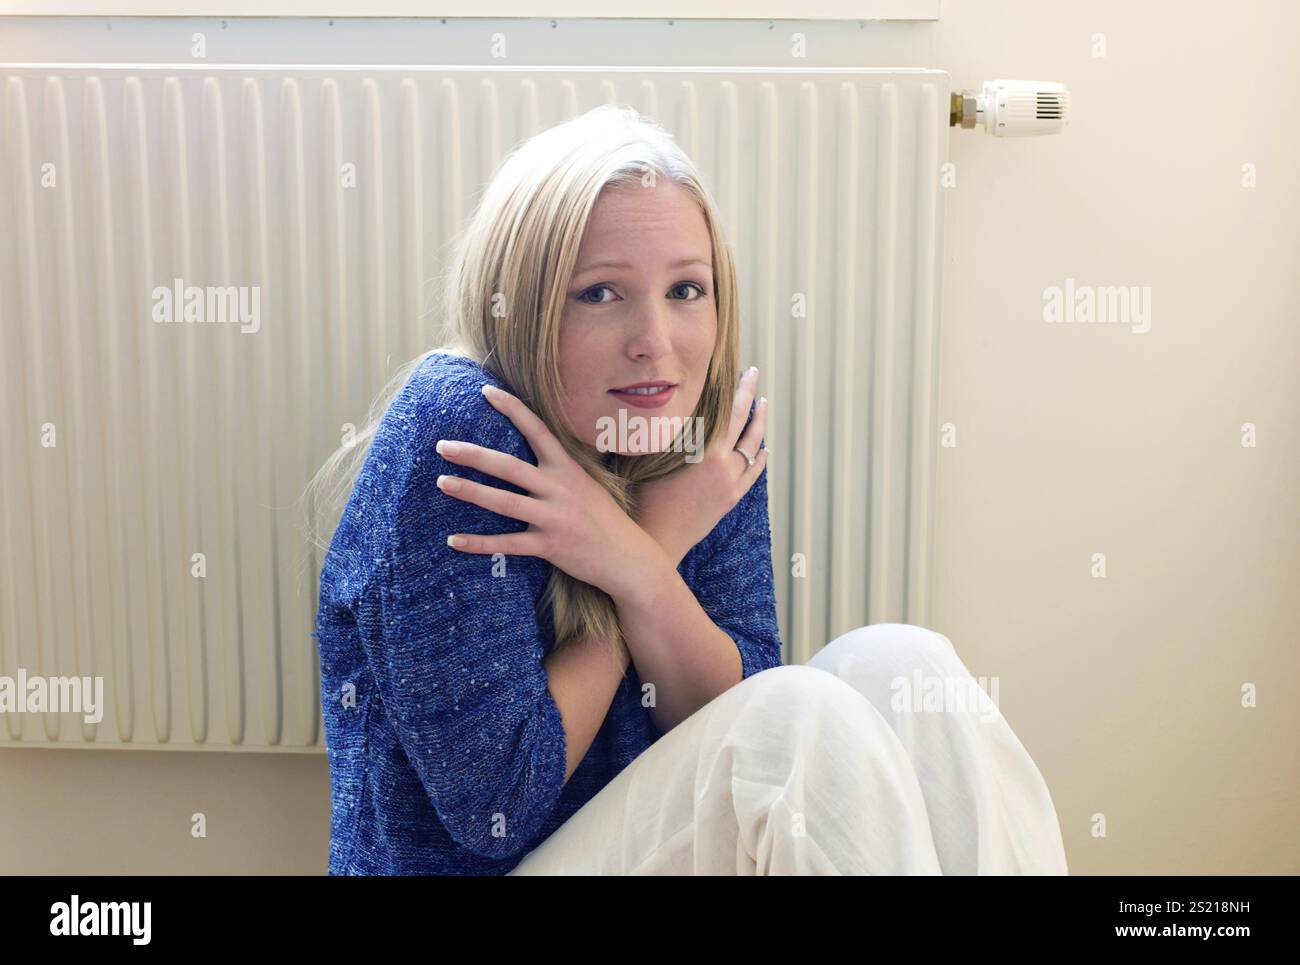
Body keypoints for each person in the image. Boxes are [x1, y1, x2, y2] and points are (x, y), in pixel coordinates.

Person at [305, 103, 1068, 875]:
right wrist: (647, 552)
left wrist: (635, 566)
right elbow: (498, 805)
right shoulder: (465, 426)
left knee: (905, 666)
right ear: (525, 302)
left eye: (686, 291)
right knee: (794, 715)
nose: (656, 343)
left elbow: (730, 719)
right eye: (600, 293)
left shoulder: (694, 431)